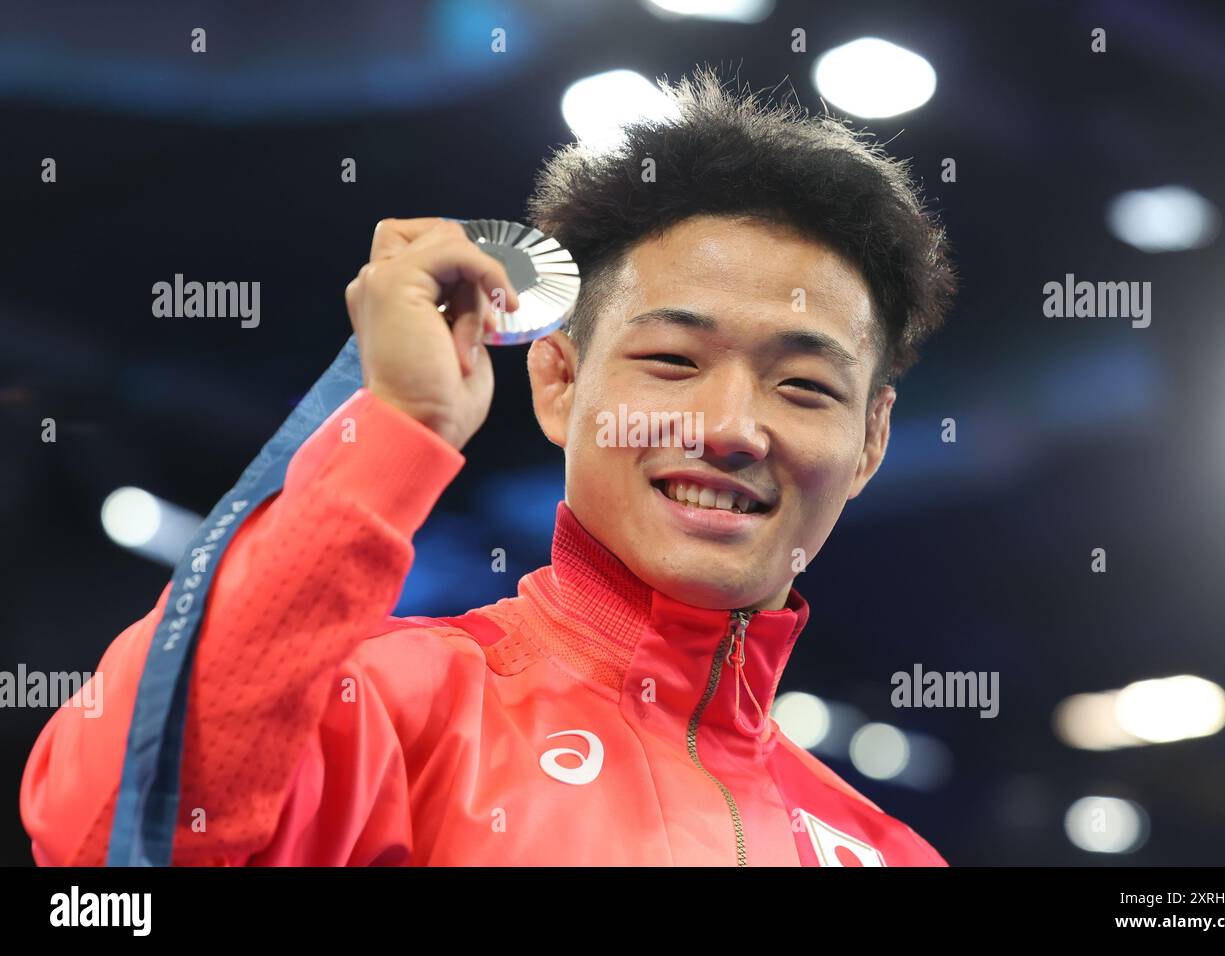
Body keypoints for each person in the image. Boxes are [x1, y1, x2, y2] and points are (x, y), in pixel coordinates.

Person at [21, 67, 956, 866]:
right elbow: (112, 831)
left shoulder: (884, 846)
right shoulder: (387, 708)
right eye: (673, 361)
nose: (733, 428)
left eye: (804, 387)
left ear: (872, 440)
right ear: (555, 381)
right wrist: (397, 426)